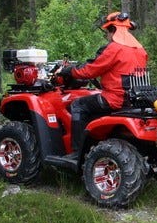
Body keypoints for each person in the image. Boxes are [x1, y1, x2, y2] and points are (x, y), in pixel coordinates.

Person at [59, 11, 148, 159]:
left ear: (112, 30)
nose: (107, 36)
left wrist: (70, 71)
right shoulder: (140, 50)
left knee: (77, 106)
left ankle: (76, 153)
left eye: (107, 32)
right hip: (133, 99)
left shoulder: (114, 48)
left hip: (114, 99)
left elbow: (89, 71)